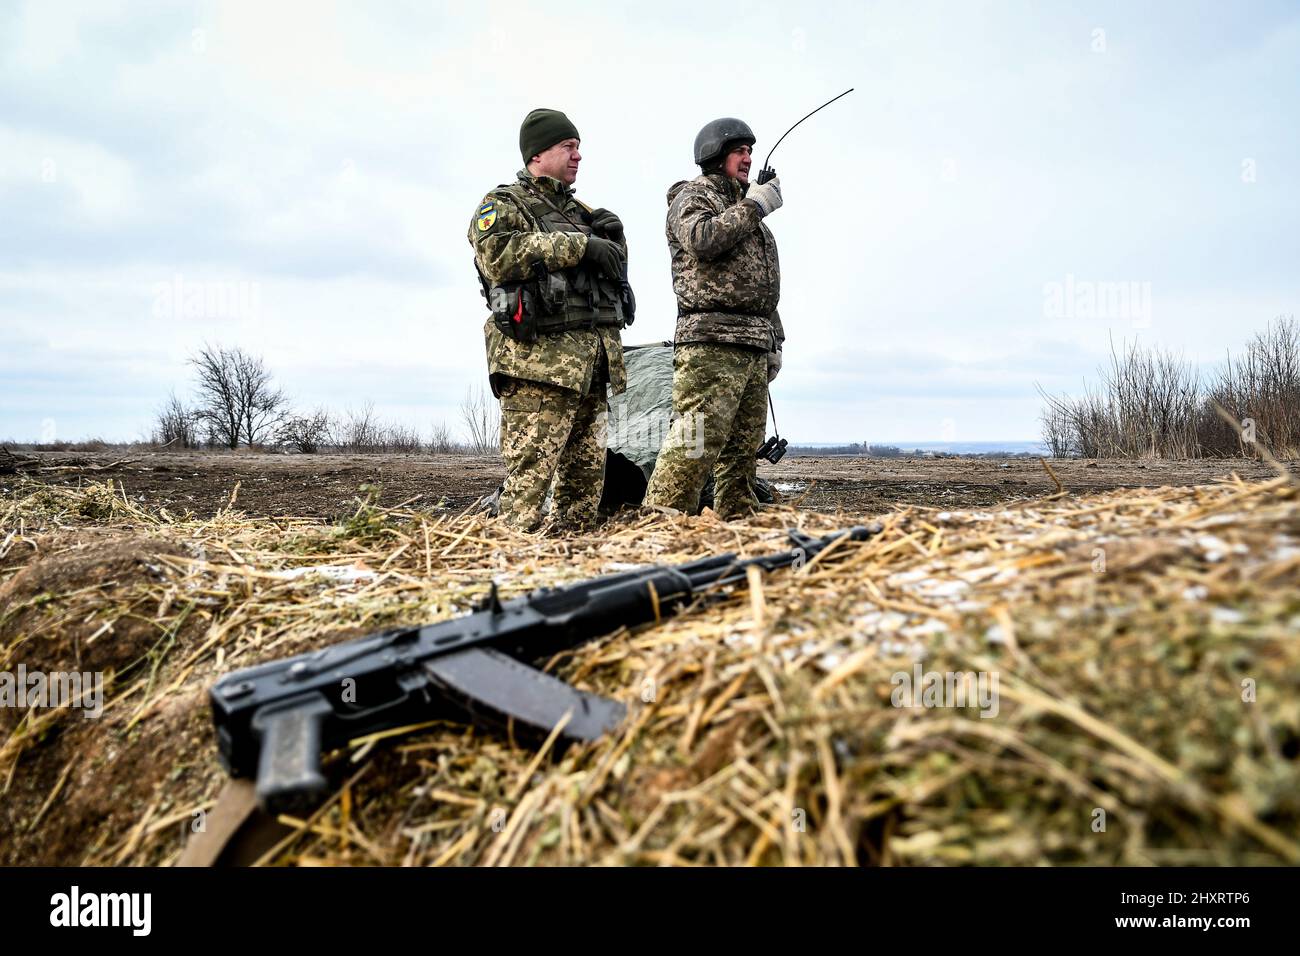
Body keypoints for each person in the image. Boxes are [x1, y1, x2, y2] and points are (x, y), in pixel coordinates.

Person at [468, 108, 631, 532]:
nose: (578, 156)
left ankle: (569, 567)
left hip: (591, 369)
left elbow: (610, 281)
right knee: (526, 490)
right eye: (568, 146)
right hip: (539, 369)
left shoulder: (583, 212)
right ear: (538, 153)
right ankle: (506, 572)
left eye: (579, 147)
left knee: (582, 495)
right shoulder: (504, 203)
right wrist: (581, 246)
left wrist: (615, 240)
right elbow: (496, 254)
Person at [643, 117, 784, 518]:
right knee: (695, 441)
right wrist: (755, 206)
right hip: (711, 341)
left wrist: (775, 337)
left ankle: (736, 521)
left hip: (753, 342)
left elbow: (760, 285)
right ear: (716, 155)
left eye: (750, 152)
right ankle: (658, 524)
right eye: (740, 151)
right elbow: (702, 240)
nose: (748, 158)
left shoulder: (746, 213)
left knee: (743, 450)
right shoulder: (693, 196)